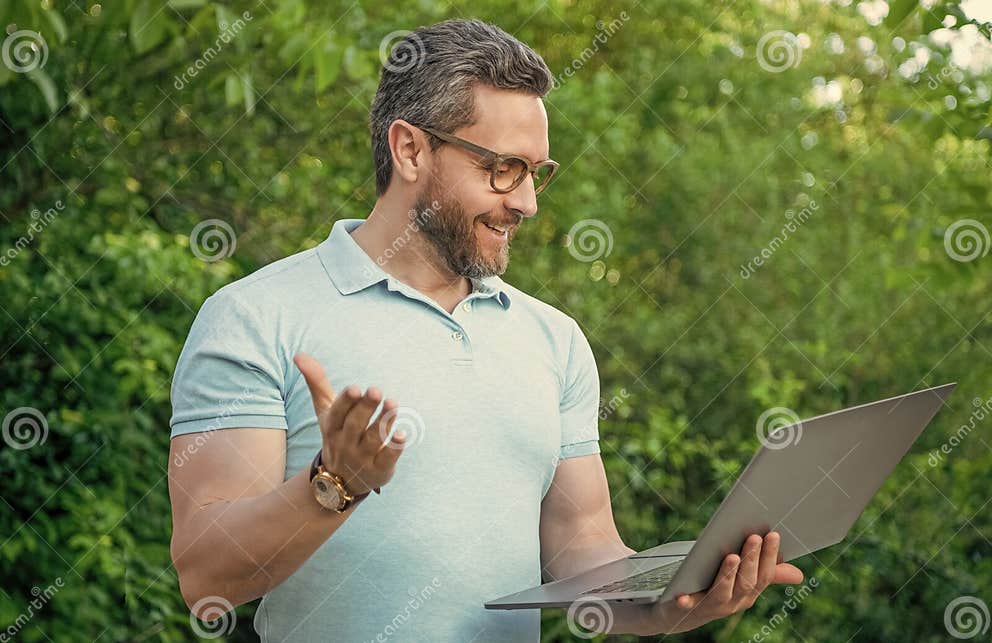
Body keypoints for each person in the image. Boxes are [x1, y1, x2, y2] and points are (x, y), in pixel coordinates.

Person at [167, 17, 803, 641]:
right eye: (504, 168)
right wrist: (333, 486)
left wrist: (668, 605)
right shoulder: (254, 317)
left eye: (536, 172)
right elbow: (205, 573)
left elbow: (583, 551)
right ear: (411, 149)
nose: (527, 201)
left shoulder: (555, 340)